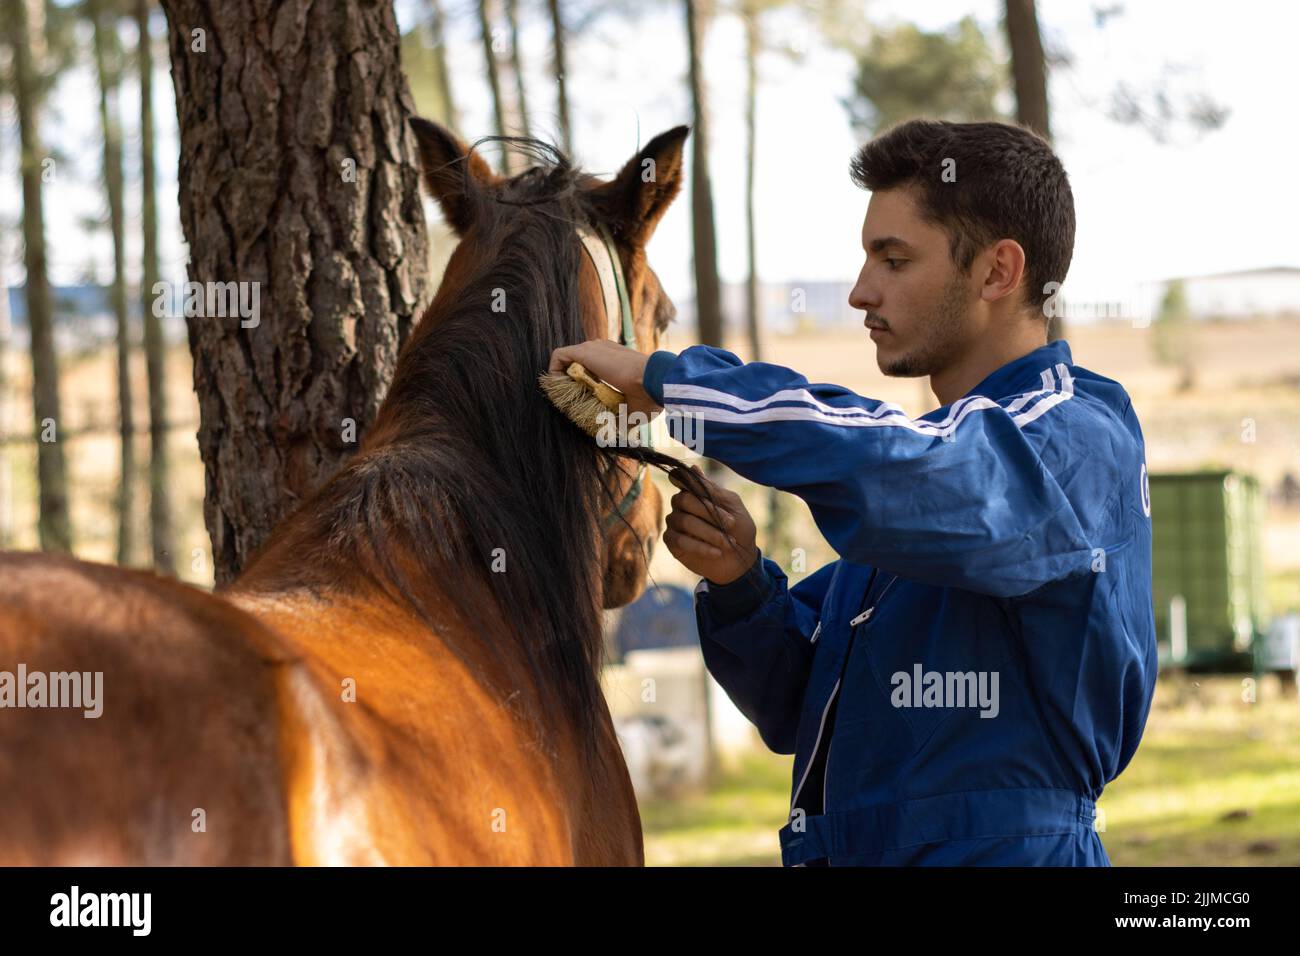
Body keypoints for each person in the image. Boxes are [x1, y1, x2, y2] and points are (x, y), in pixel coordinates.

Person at [549, 119, 1158, 866]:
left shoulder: (1072, 439)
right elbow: (798, 710)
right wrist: (742, 586)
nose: (863, 292)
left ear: (998, 272)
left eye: (894, 260)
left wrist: (672, 383)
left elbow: (897, 464)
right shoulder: (929, 487)